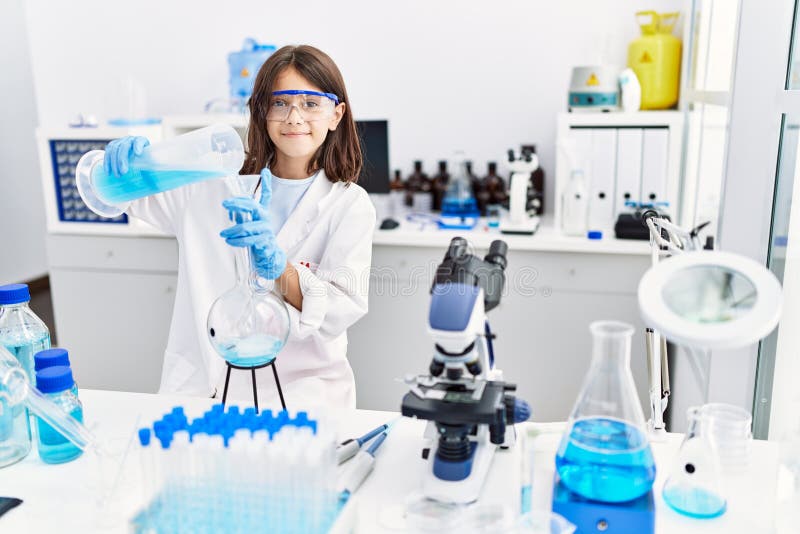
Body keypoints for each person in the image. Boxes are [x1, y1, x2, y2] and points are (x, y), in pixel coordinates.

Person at [103, 45, 376, 411]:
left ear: (336, 114)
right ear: (261, 112)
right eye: (279, 103)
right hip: (207, 387)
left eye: (311, 103)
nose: (294, 117)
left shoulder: (349, 205)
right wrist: (122, 164)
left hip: (303, 392)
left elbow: (341, 307)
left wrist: (279, 268)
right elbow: (115, 198)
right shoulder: (212, 186)